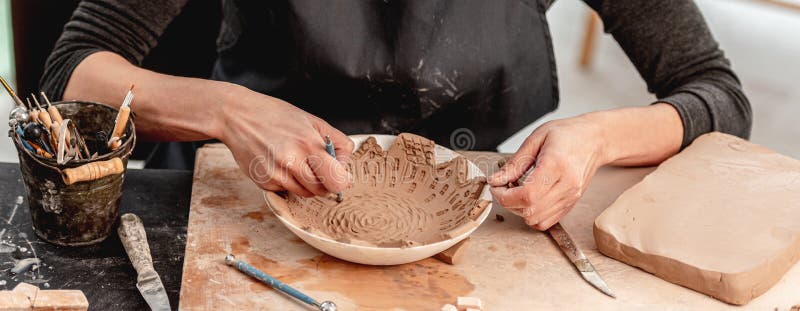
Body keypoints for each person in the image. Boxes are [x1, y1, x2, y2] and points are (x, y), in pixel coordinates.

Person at [41, 0, 750, 230]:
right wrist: (227, 109)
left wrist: (596, 137)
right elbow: (75, 70)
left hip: (465, 224)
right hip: (241, 208)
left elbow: (715, 93)